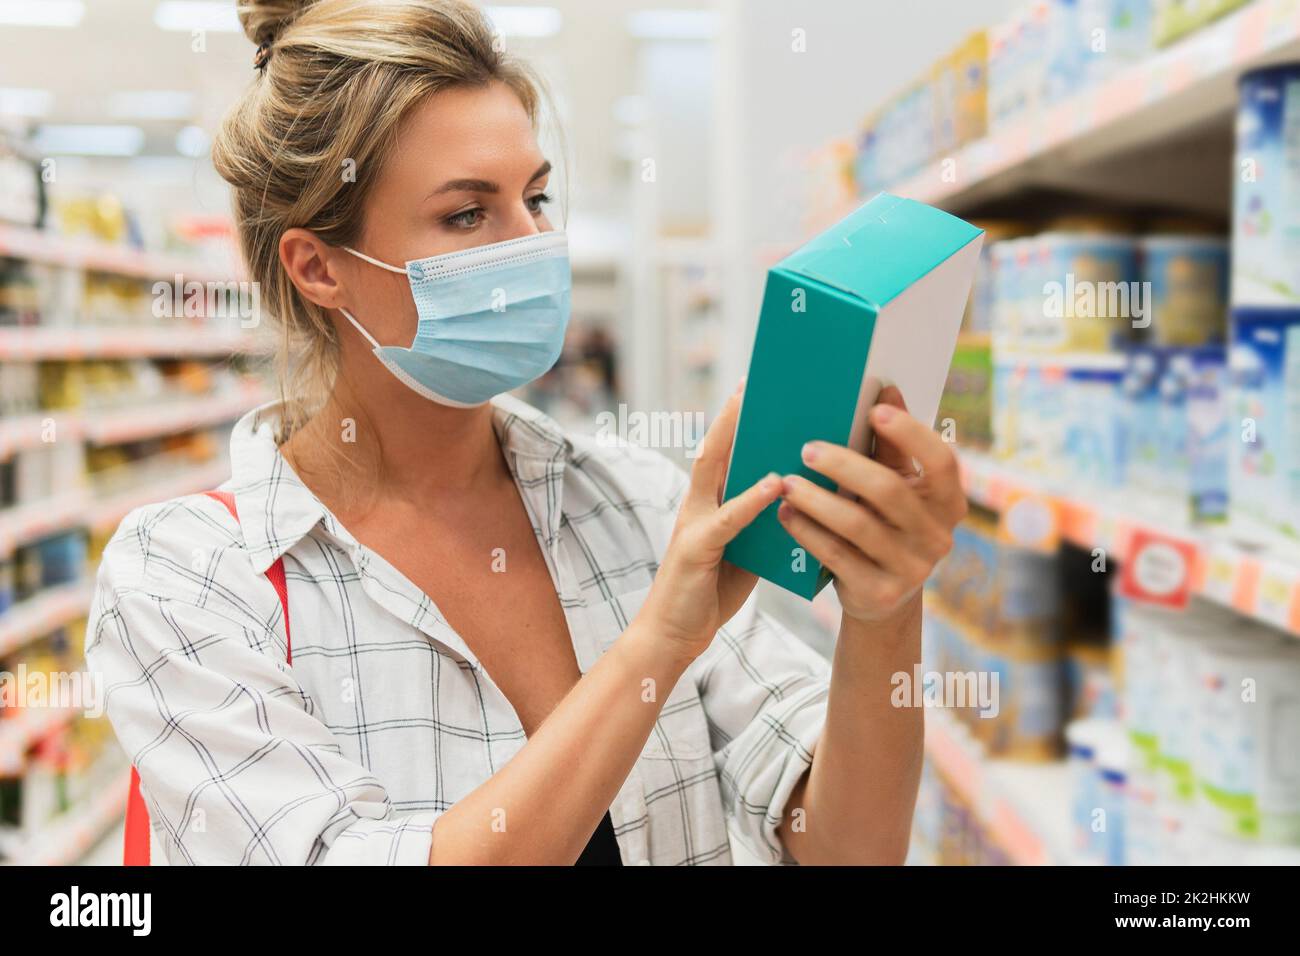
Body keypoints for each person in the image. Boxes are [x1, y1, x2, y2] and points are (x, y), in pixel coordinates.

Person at [86, 0, 967, 866]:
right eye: (468, 214)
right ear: (319, 267)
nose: (534, 245)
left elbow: (848, 849)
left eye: (536, 198)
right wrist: (659, 641)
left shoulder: (639, 499)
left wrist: (884, 607)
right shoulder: (188, 579)